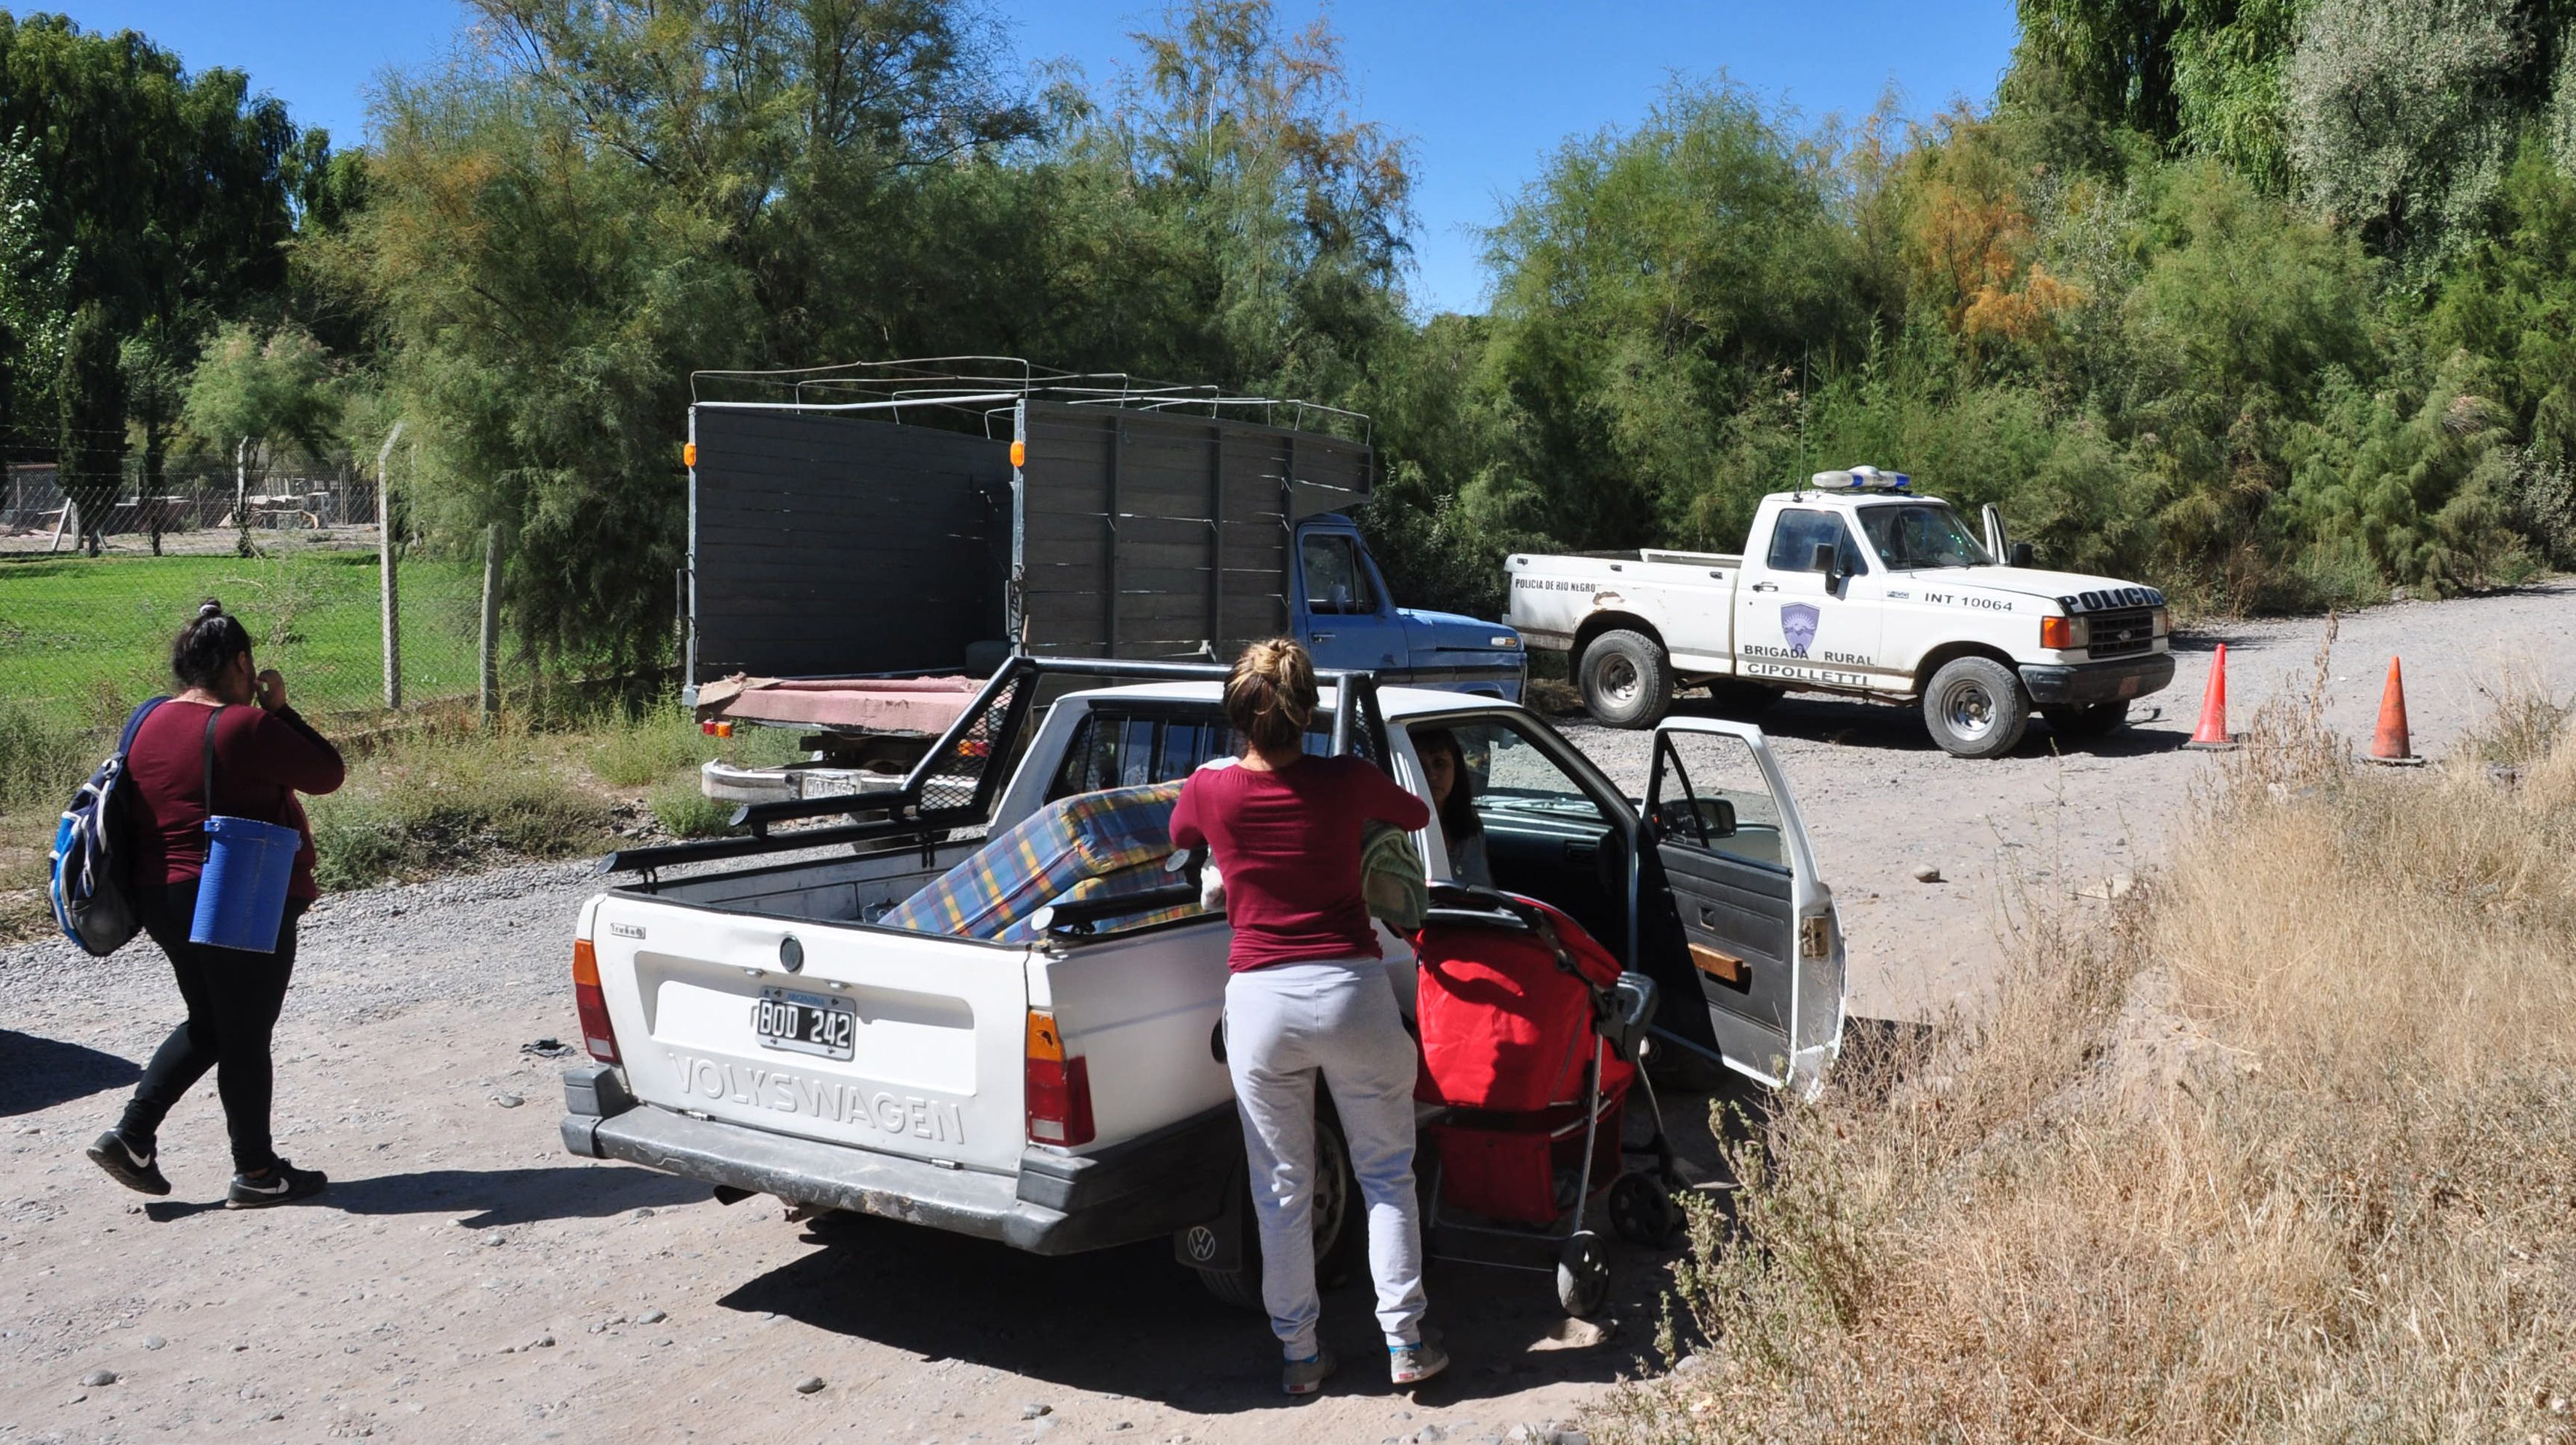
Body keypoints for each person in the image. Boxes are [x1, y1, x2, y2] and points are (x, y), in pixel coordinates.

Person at [1170, 638, 1447, 1396]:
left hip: (1261, 998)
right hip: (1351, 987)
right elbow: (1417, 810)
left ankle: (1300, 1353)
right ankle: (1406, 1341)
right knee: (1387, 1171)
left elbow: (1179, 837)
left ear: (1239, 713)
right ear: (1309, 711)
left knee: (1283, 1186)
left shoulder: (1209, 787)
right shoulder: (1346, 778)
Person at [85, 599, 346, 1208]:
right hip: (234, 890)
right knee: (246, 1032)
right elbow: (327, 773)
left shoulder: (146, 718)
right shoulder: (243, 726)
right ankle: (256, 1173)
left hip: (160, 897)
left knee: (213, 1023)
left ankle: (131, 1138)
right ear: (241, 664)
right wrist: (280, 710)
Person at [1413, 728, 1491, 889]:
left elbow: (1489, 892)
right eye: (1420, 766)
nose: (1431, 775)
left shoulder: (1471, 827)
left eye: (1439, 763)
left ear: (1457, 768)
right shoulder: (1398, 836)